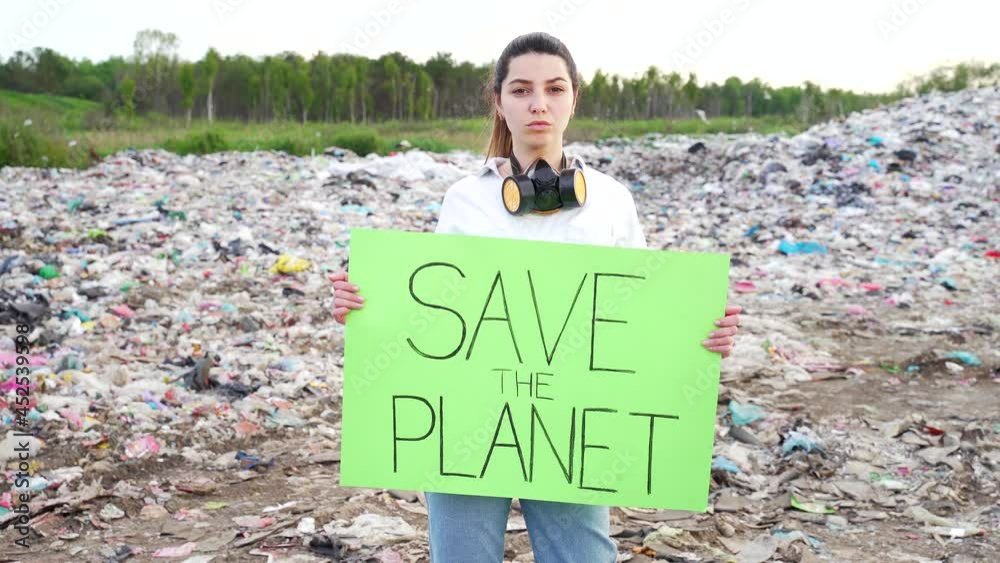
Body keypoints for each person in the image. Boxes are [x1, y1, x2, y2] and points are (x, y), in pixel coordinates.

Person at [331, 32, 742, 563]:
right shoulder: (465, 200)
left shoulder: (611, 201)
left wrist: (698, 334)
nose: (538, 104)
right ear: (499, 101)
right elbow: (436, 315)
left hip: (571, 424)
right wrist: (367, 308)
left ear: (574, 98)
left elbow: (638, 316)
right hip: (466, 419)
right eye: (521, 90)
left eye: (554, 88)